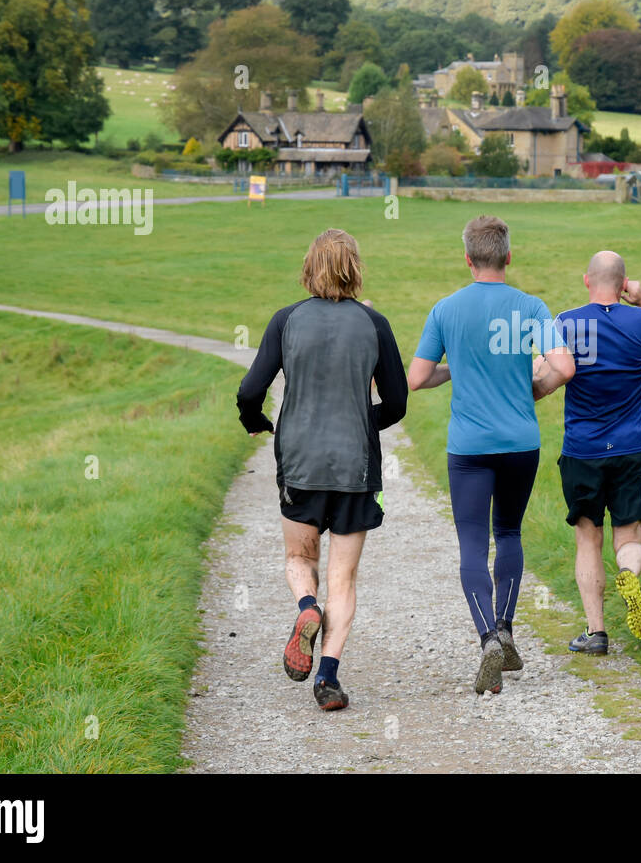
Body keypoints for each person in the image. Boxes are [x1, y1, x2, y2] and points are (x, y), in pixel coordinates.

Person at [236, 229, 407, 711]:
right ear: (355, 269)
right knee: (345, 580)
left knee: (299, 560)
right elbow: (396, 402)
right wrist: (362, 422)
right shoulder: (375, 323)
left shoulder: (285, 320)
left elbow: (251, 390)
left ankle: (306, 608)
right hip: (355, 467)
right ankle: (328, 679)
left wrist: (259, 423)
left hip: (300, 464)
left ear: (309, 267)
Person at [408, 215, 574, 694]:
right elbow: (564, 365)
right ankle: (505, 628)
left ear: (467, 258)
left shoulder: (446, 309)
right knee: (509, 531)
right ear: (507, 257)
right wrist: (535, 390)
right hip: (521, 442)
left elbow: (418, 378)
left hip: (470, 449)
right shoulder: (531, 306)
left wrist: (455, 369)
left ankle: (486, 641)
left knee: (472, 543)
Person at [538, 250, 641, 655]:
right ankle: (629, 574)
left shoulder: (566, 322)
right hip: (632, 448)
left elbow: (544, 374)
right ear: (624, 285)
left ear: (587, 280)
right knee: (629, 534)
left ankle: (596, 633)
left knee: (588, 538)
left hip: (582, 451)